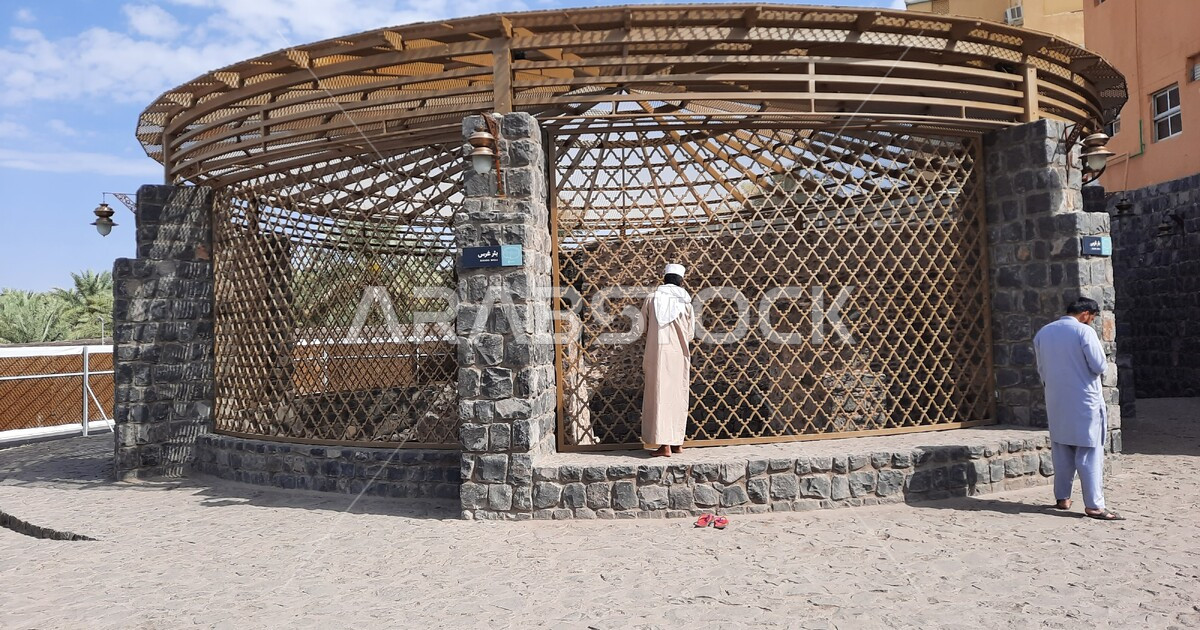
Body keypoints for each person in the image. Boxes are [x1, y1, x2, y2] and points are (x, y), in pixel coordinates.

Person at [1032, 297, 1123, 520]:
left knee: (1061, 448)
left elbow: (1041, 369)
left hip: (1056, 399)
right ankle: (1095, 505)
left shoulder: (1043, 332)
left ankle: (1063, 497)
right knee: (1089, 451)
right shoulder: (1084, 332)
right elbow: (1099, 365)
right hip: (1084, 400)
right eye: (1092, 318)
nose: (1092, 322)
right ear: (1085, 314)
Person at [641, 263, 694, 457]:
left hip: (657, 354)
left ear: (664, 278)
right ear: (681, 280)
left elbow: (643, 327)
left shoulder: (652, 298)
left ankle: (664, 446)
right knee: (677, 397)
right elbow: (690, 333)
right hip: (679, 355)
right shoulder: (686, 301)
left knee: (659, 396)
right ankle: (677, 442)